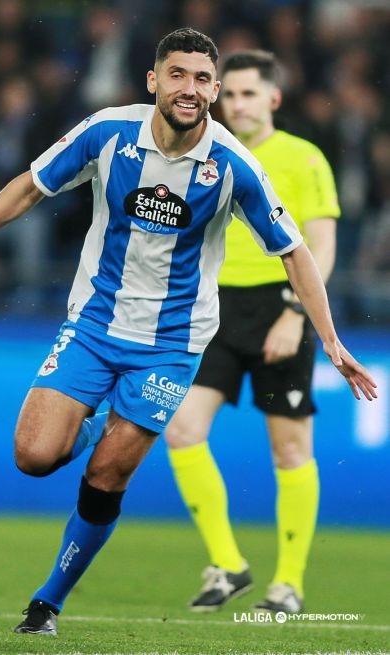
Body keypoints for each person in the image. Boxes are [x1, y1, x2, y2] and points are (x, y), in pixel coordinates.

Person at [0, 28, 377, 637]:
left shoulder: (233, 166)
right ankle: (95, 421)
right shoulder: (108, 133)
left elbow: (296, 251)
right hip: (95, 325)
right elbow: (28, 187)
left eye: (202, 79)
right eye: (177, 75)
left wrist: (330, 341)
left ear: (215, 90)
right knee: (35, 456)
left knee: (108, 473)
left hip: (174, 345)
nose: (189, 89)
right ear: (153, 80)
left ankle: (47, 603)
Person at [163, 50, 340, 614]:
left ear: (273, 99)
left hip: (277, 305)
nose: (236, 103)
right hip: (211, 307)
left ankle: (287, 584)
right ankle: (228, 565)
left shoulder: (303, 158)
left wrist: (296, 312)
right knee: (181, 429)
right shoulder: (202, 152)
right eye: (229, 93)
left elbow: (321, 246)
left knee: (289, 449)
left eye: (247, 93)